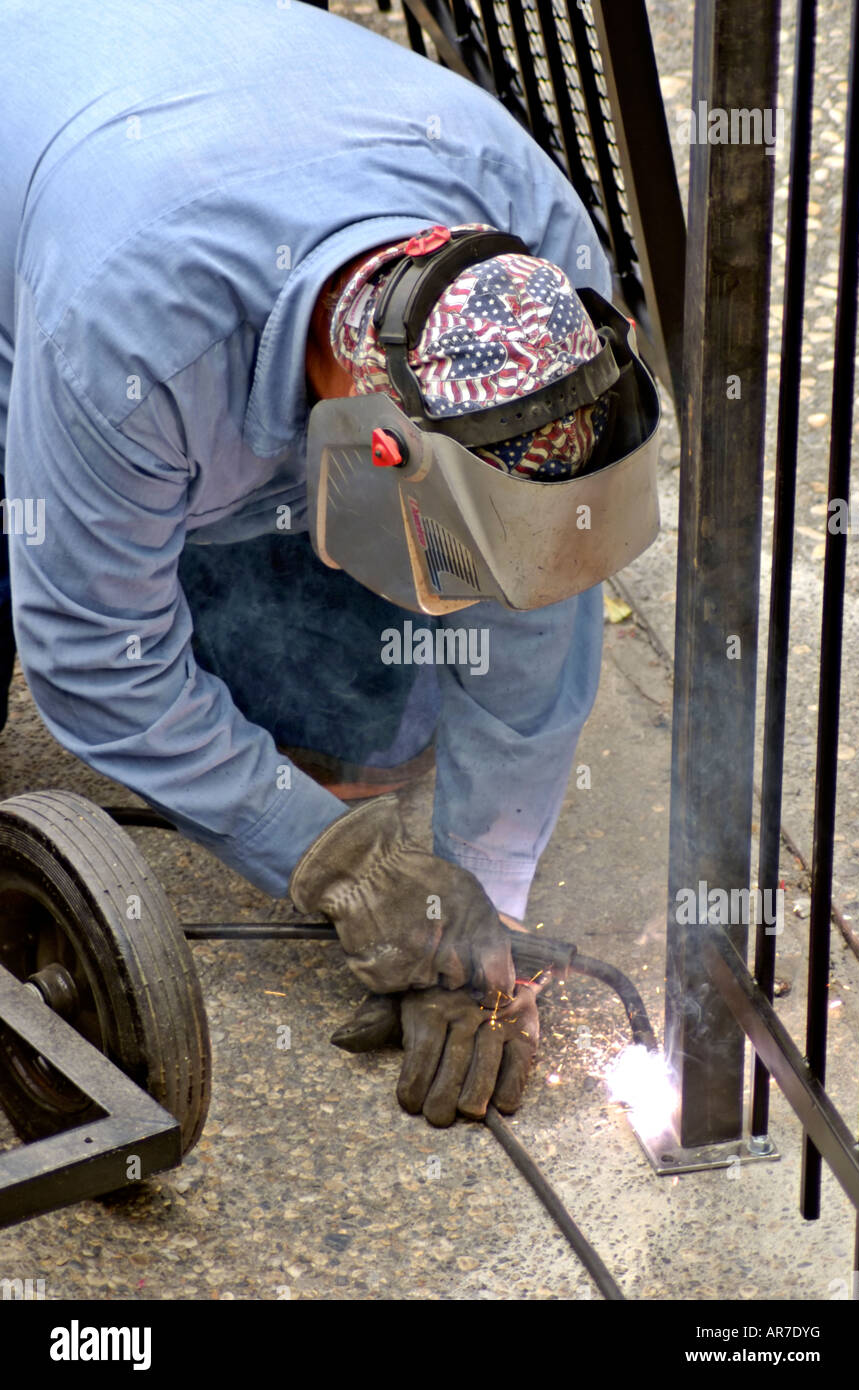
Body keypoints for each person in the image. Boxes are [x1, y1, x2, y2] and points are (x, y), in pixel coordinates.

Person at [0, 0, 615, 1127]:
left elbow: (541, 587)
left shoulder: (546, 252)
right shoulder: (124, 337)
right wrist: (343, 865)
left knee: (367, 732)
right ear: (372, 430)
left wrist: (488, 900)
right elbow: (96, 658)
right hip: (56, 213)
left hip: (211, 147)